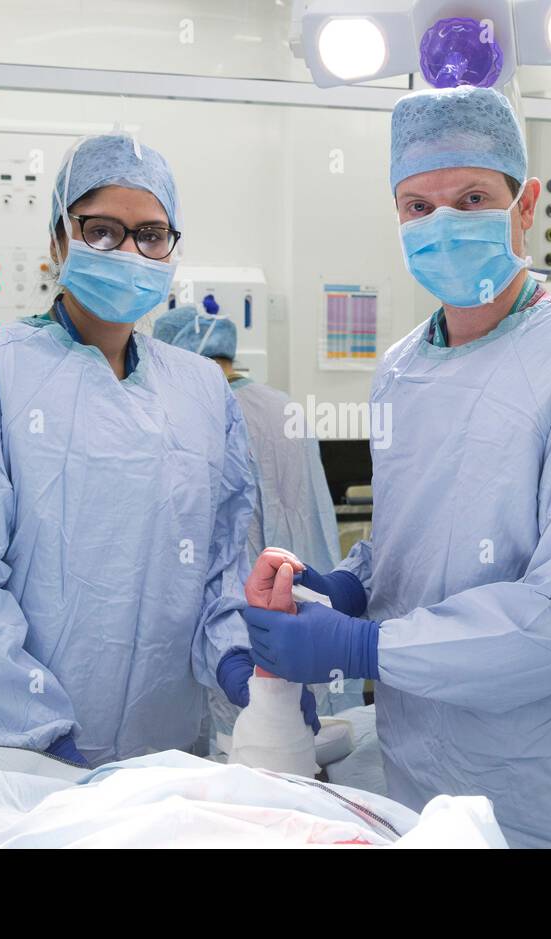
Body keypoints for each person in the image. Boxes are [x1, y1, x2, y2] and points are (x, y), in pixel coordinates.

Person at [240, 84, 551, 848]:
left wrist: (361, 646)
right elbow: (419, 538)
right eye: (416, 205)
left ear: (525, 204)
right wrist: (352, 583)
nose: (441, 224)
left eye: (471, 196)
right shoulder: (403, 368)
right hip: (436, 784)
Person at [0, 133, 295, 768]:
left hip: (161, 746)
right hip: (8, 750)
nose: (129, 251)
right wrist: (35, 733)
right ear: (58, 240)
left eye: (151, 235)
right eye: (102, 231)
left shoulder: (201, 389)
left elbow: (224, 560)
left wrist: (242, 665)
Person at [152, 302, 361, 752]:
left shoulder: (191, 416)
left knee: (241, 746)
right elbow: (316, 513)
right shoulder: (283, 408)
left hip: (226, 623)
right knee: (309, 745)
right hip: (306, 604)